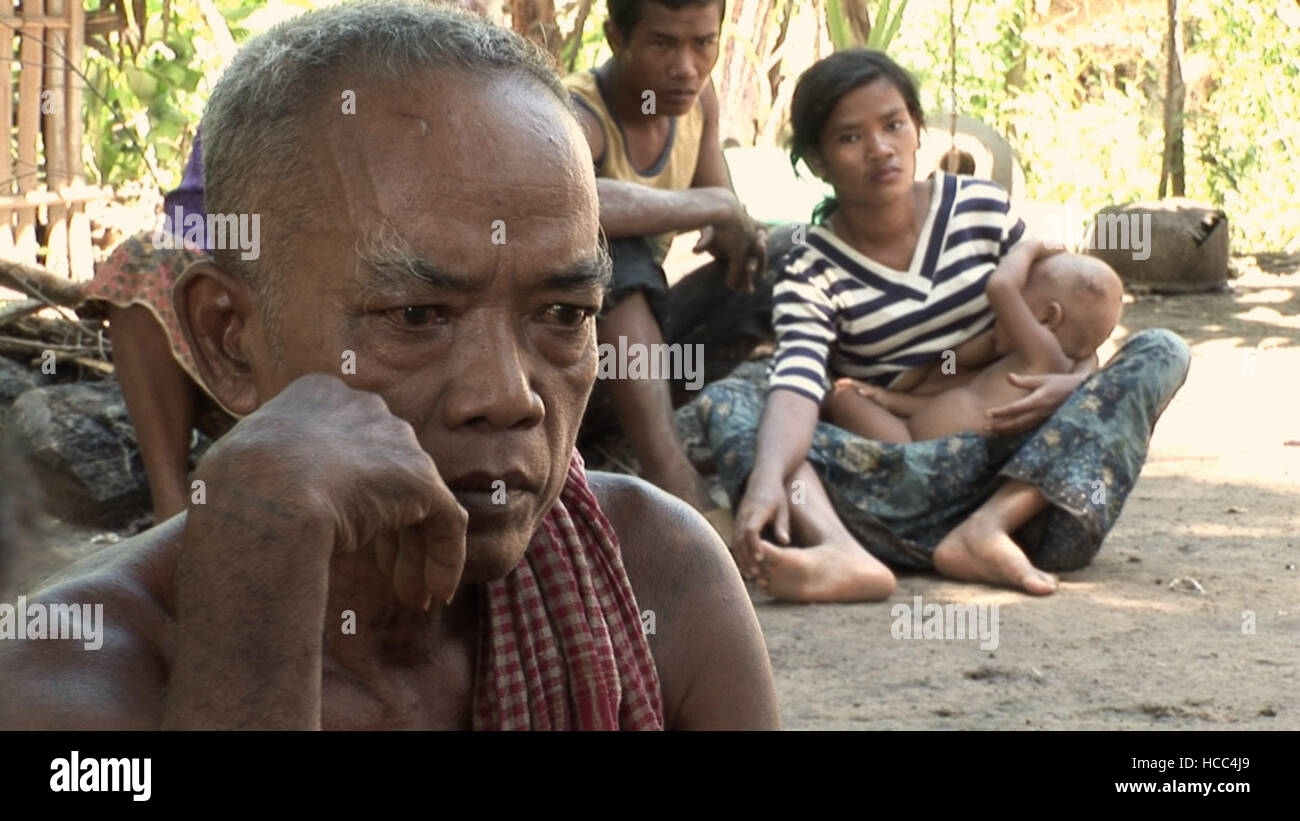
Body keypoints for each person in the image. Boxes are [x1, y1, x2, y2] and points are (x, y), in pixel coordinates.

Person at [0, 1, 779, 730]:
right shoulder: (71, 677)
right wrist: (255, 561)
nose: (508, 398)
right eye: (415, 316)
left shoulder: (660, 580)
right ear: (229, 338)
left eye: (563, 314)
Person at [697, 49, 1190, 603]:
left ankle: (987, 530)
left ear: (916, 132)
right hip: (890, 494)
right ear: (816, 161)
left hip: (1036, 498)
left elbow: (1069, 323)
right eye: (850, 137)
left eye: (893, 125)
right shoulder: (812, 268)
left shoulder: (981, 211)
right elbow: (798, 383)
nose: (880, 148)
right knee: (738, 400)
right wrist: (764, 482)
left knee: (1162, 349)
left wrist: (1077, 385)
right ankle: (838, 551)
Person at [565, 0, 767, 528]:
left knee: (782, 255)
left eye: (703, 43)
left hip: (647, 362)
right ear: (616, 38)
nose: (686, 67)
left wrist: (732, 225)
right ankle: (670, 476)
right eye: (662, 44)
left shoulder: (697, 103)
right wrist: (719, 206)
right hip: (569, 366)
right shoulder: (578, 114)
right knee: (609, 252)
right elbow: (573, 199)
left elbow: (727, 224)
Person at [825, 245, 1124, 443]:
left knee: (841, 398)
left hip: (913, 449)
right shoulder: (1035, 369)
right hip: (922, 438)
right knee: (861, 396)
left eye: (1022, 295)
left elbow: (1000, 286)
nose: (998, 315)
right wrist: (887, 399)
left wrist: (1030, 246)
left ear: (1048, 318)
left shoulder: (1044, 355)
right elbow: (960, 402)